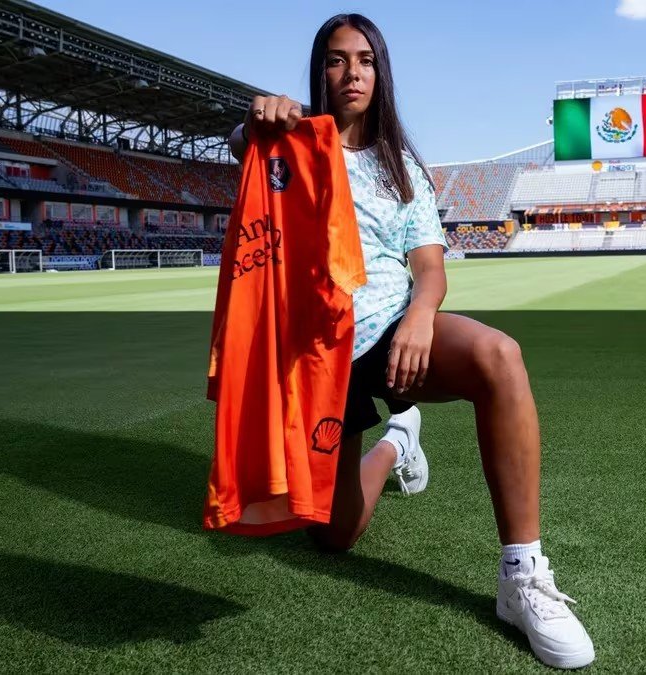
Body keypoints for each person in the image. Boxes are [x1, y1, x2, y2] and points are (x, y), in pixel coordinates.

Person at [227, 14, 594, 669]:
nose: (351, 73)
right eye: (336, 61)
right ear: (319, 73)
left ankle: (522, 575)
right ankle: (399, 439)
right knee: (336, 538)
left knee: (499, 356)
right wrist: (258, 117)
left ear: (381, 71)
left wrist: (423, 314)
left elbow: (429, 265)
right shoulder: (291, 143)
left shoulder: (402, 169)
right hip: (316, 362)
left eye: (364, 59)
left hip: (393, 333)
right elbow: (243, 147)